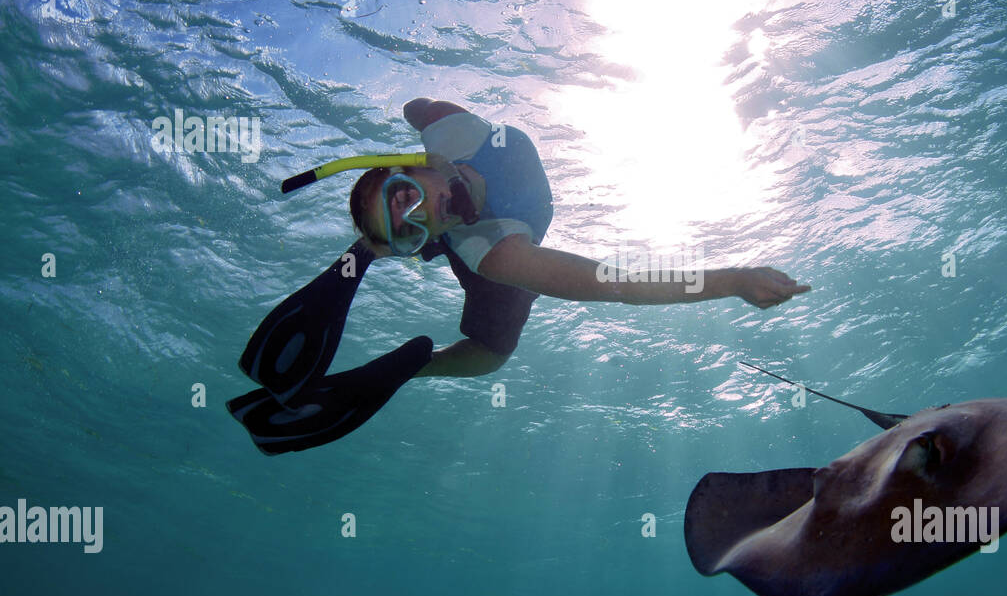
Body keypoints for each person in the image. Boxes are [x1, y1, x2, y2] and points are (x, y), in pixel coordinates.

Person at [228, 98, 809, 455]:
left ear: (411, 164)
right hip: (490, 243)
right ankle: (383, 272)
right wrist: (731, 280)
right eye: (412, 229)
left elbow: (416, 105)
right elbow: (619, 284)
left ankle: (386, 271)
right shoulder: (496, 257)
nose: (428, 215)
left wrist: (427, 143)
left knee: (489, 346)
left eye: (406, 197)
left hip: (465, 197)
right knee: (492, 351)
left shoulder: (447, 131)